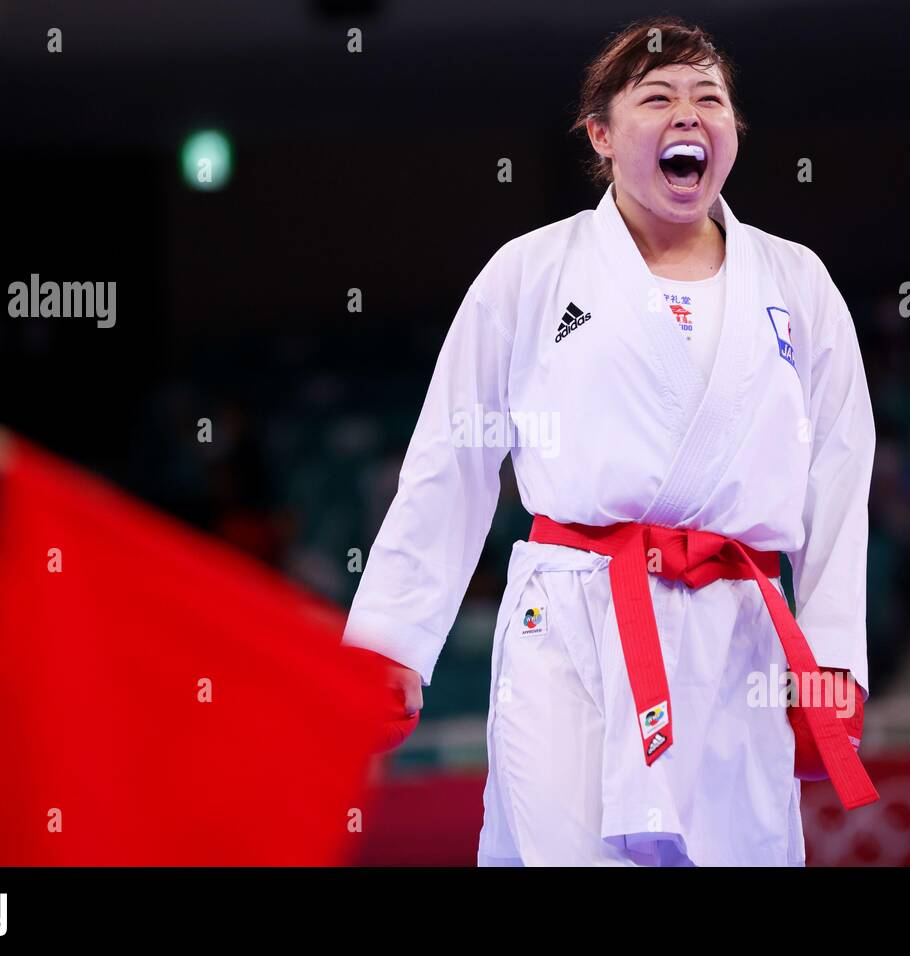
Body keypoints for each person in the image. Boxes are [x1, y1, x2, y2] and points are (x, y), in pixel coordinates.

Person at [342, 16, 877, 866]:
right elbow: (454, 457)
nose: (689, 116)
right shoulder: (532, 271)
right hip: (571, 620)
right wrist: (390, 643)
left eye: (711, 99)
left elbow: (841, 476)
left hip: (734, 632)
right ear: (600, 133)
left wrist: (835, 656)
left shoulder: (796, 281)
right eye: (657, 98)